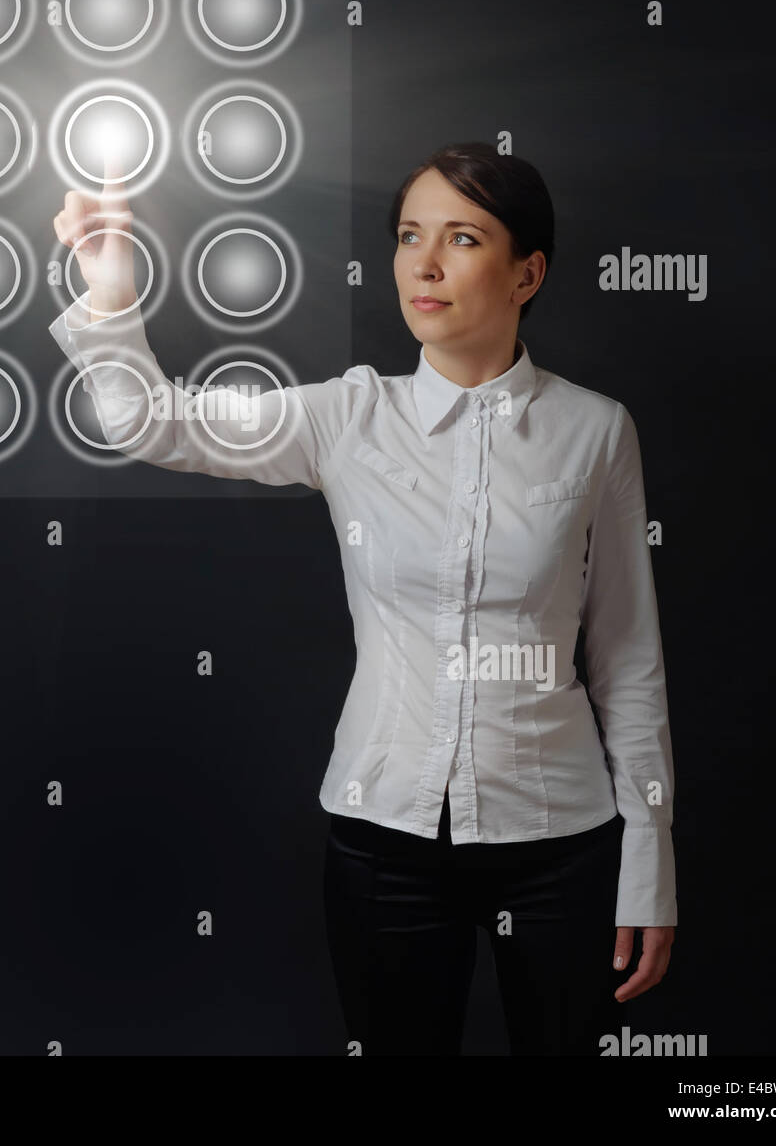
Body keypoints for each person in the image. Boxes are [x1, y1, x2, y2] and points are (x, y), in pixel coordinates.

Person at [48, 141, 675, 1055]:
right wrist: (110, 290)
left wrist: (648, 860)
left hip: (561, 844)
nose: (424, 264)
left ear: (526, 273)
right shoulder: (345, 417)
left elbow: (626, 657)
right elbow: (148, 420)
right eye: (409, 236)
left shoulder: (595, 431)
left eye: (462, 238)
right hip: (385, 841)